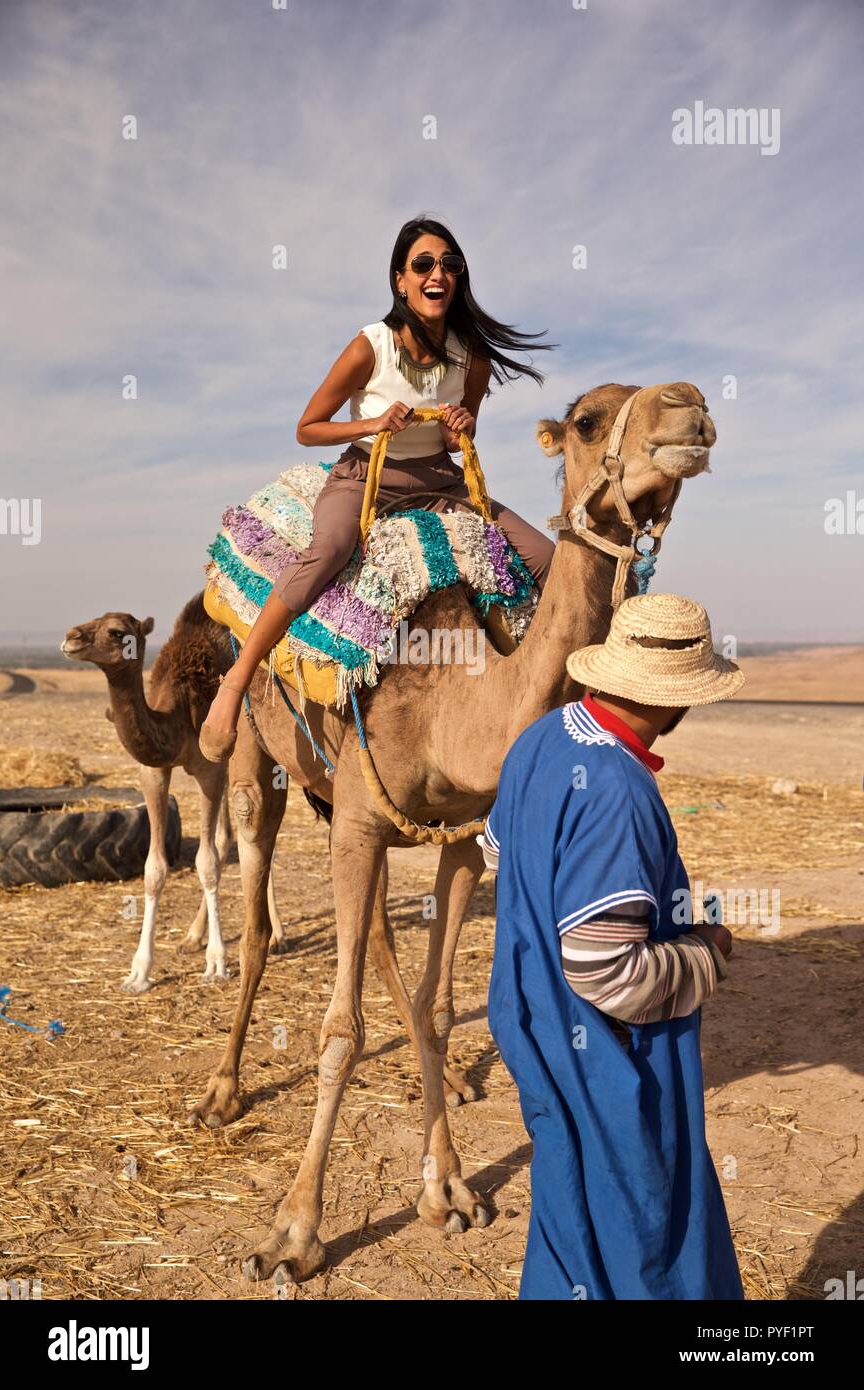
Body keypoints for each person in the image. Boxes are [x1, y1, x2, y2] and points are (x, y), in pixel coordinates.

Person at [199, 214, 557, 761]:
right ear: (400, 279)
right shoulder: (371, 346)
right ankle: (235, 682)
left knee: (545, 556)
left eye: (449, 265)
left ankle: (551, 698)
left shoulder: (472, 356)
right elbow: (307, 428)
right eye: (423, 264)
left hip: (442, 482)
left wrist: (460, 427)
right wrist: (370, 424)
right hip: (365, 476)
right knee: (329, 551)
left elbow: (463, 438)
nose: (437, 273)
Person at [476, 592, 746, 1300]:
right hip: (606, 1055)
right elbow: (608, 973)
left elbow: (501, 851)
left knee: (574, 1212)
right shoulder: (619, 792)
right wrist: (707, 954)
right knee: (645, 1235)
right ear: (676, 701)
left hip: (535, 1025)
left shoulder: (544, 738)